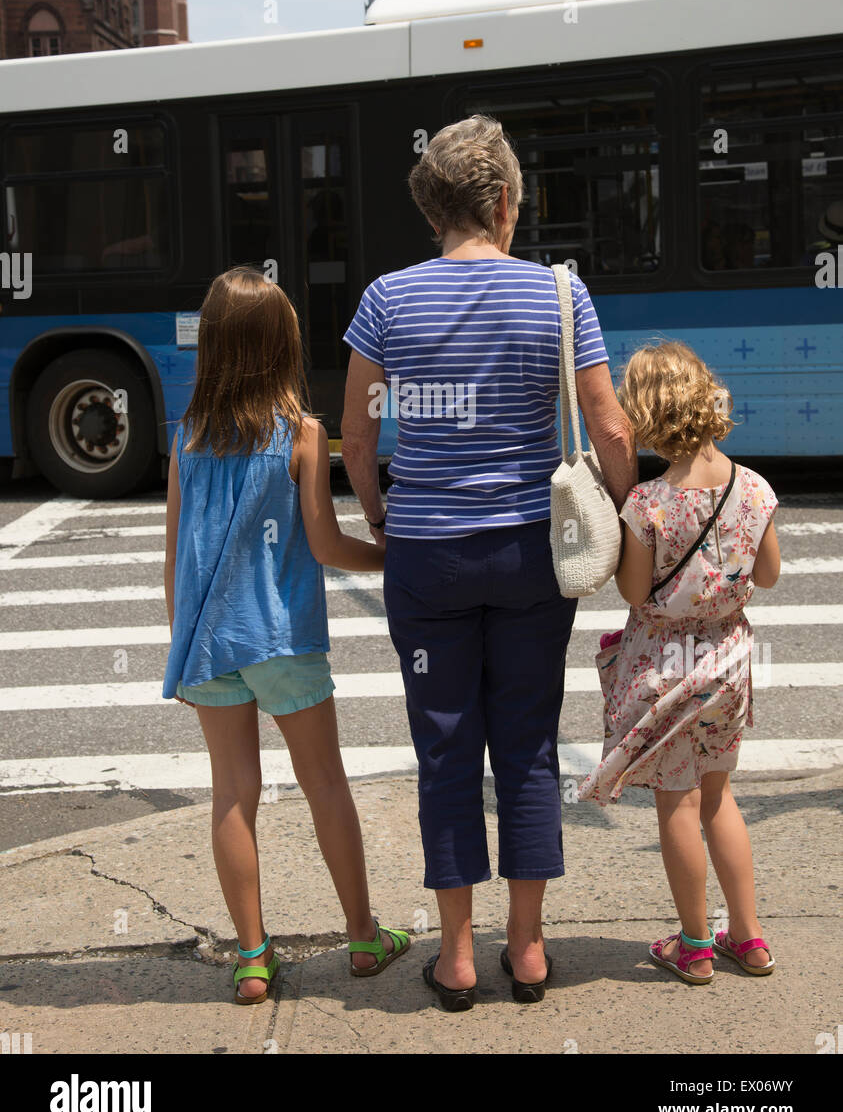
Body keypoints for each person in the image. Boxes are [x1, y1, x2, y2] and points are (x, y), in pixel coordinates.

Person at [341, 116, 636, 1010]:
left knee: (442, 749)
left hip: (427, 560)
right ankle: (530, 947)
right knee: (526, 744)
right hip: (529, 557)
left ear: (434, 208)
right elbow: (611, 424)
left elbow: (356, 433)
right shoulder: (559, 295)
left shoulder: (386, 299)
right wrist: (624, 515)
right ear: (504, 203)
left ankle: (458, 955)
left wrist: (385, 514)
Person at [163, 266, 409, 1004]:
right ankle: (363, 939)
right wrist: (393, 557)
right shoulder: (301, 435)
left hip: (209, 641)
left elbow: (176, 559)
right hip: (282, 639)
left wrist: (183, 641)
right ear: (283, 346)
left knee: (233, 793)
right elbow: (327, 546)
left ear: (210, 345)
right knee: (324, 782)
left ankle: (251, 957)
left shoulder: (186, 439)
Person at [578, 341, 780, 983]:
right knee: (720, 798)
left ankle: (694, 943)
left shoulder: (646, 503)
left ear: (645, 416)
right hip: (726, 662)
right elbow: (769, 574)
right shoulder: (753, 488)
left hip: (663, 669)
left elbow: (636, 595)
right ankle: (747, 939)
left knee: (679, 805)